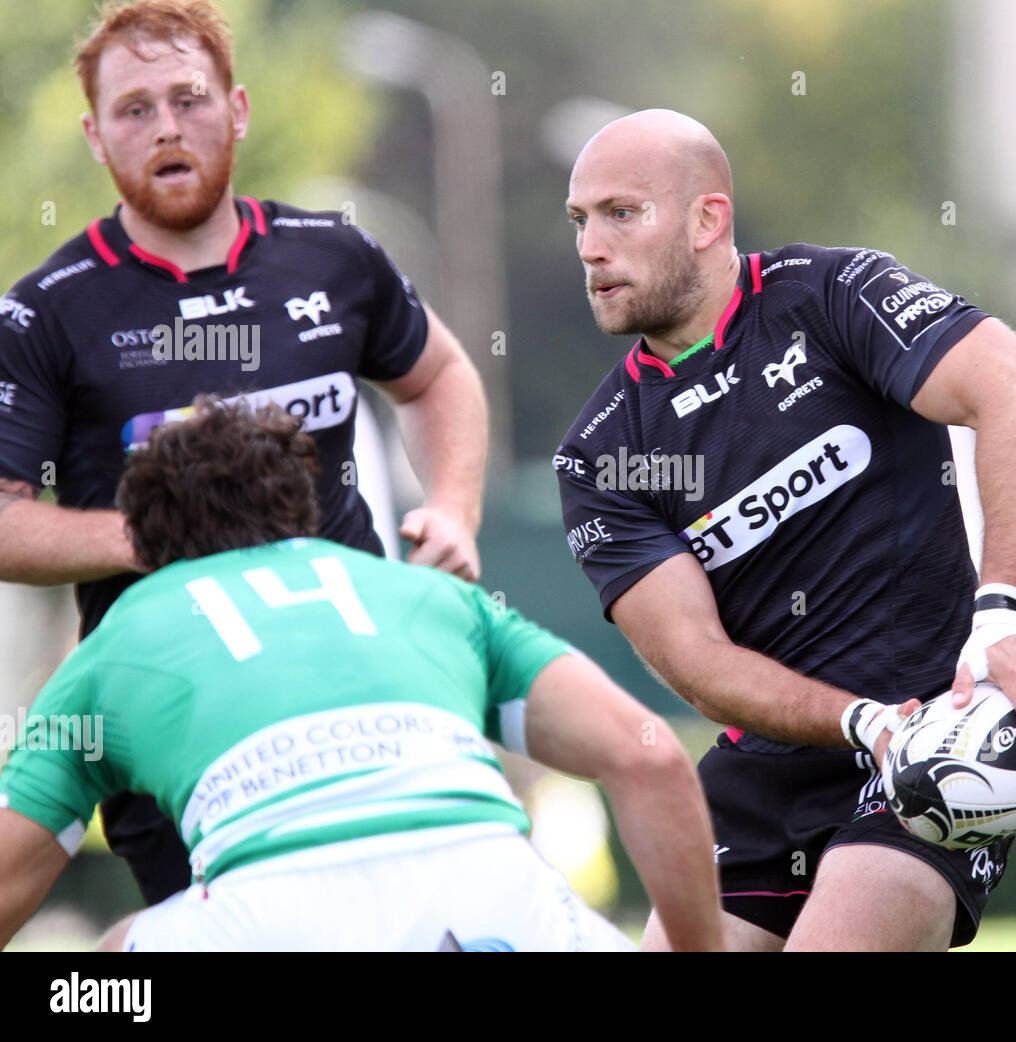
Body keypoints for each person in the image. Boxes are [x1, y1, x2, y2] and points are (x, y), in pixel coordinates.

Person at [554, 109, 1016, 951]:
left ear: (706, 220)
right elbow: (698, 664)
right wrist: (860, 720)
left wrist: (1002, 618)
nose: (590, 247)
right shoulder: (600, 452)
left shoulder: (832, 297)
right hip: (773, 763)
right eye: (579, 220)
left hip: (931, 739)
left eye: (621, 213)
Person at [0, 0, 487, 906]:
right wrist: (157, 540)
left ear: (238, 109)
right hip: (177, 722)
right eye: (134, 109)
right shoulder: (45, 313)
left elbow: (442, 375)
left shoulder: (335, 258)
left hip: (359, 693)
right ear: (96, 139)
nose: (167, 127)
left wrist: (453, 507)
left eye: (188, 98)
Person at [0, 398, 723, 951]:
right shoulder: (431, 596)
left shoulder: (118, 636)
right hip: (497, 902)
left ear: (145, 538)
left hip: (270, 922)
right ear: (301, 509)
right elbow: (651, 755)